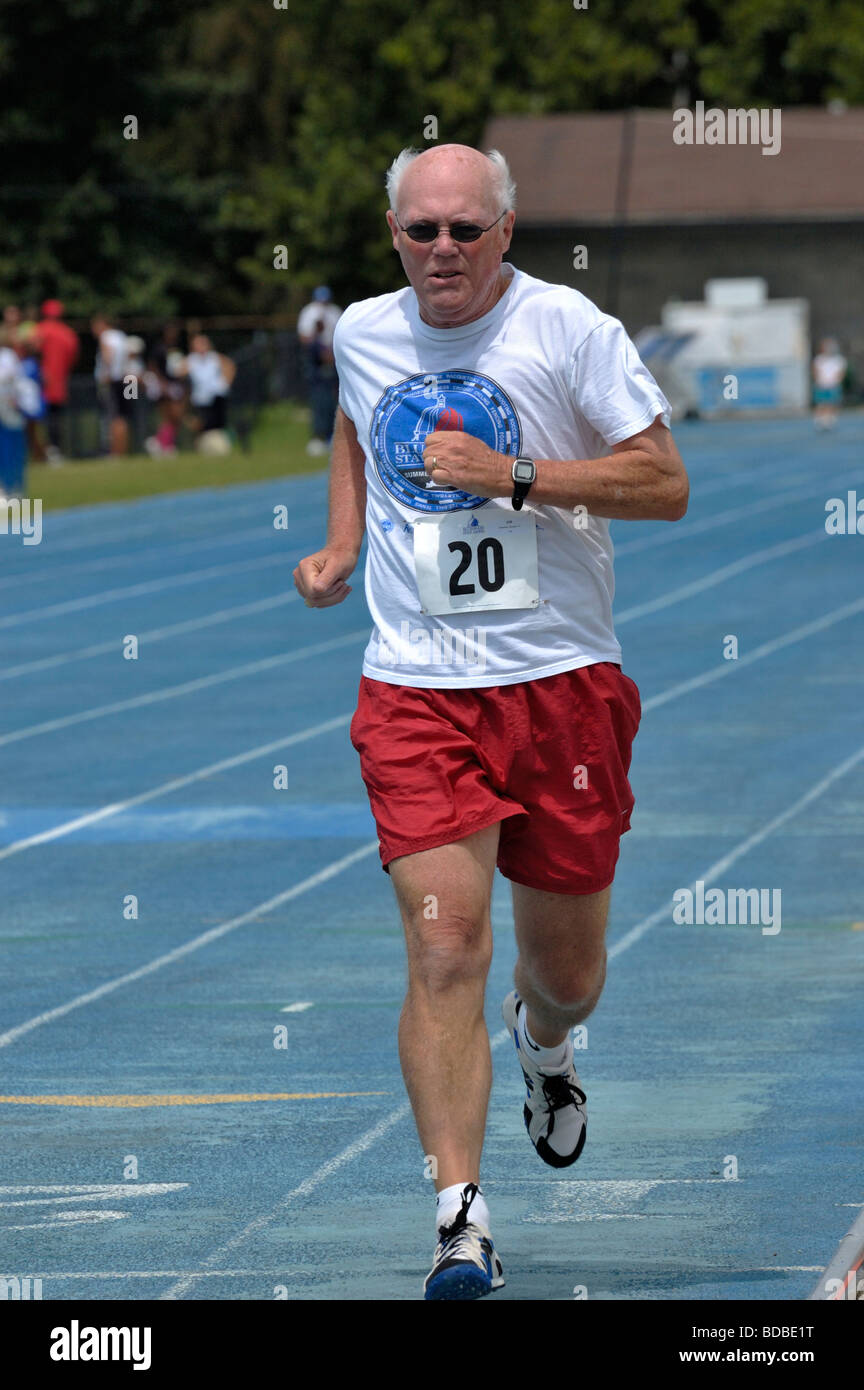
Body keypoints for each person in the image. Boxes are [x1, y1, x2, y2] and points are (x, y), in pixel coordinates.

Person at [293, 143, 689, 1300]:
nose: (445, 251)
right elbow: (357, 429)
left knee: (564, 971)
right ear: (392, 233)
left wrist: (513, 475)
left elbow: (663, 481)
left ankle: (548, 1043)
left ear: (507, 230)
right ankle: (459, 1220)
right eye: (423, 232)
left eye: (467, 230)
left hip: (561, 684)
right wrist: (342, 544)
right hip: (415, 689)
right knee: (445, 943)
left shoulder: (569, 329)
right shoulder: (364, 331)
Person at [297, 286, 341, 455]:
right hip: (316, 360)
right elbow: (305, 339)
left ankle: (333, 435)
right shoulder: (309, 313)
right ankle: (318, 436)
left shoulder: (335, 312)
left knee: (335, 399)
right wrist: (317, 331)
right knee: (319, 400)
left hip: (333, 357)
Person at [35, 300, 79, 462]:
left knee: (36, 418)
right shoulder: (68, 334)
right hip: (60, 381)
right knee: (55, 417)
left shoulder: (39, 330)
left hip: (38, 381)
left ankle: (40, 452)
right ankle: (54, 450)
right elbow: (73, 358)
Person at [176, 333, 235, 438]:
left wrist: (225, 383)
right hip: (201, 397)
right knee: (204, 422)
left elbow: (230, 366)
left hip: (217, 394)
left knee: (218, 422)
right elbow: (179, 373)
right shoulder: (191, 360)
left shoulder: (214, 357)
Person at [91, 313, 132, 456]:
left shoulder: (106, 337)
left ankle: (114, 451)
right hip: (126, 379)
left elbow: (108, 356)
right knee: (123, 416)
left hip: (112, 380)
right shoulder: (121, 336)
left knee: (113, 417)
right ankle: (123, 449)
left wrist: (106, 373)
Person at [144, 321, 186, 456]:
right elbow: (153, 366)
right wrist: (162, 384)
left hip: (175, 385)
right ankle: (161, 442)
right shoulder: (159, 349)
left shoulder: (176, 348)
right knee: (169, 414)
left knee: (176, 416)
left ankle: (164, 442)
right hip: (164, 385)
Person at [812, 337, 847, 430]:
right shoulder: (819, 359)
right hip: (821, 384)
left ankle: (830, 420)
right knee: (821, 403)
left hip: (833, 384)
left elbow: (841, 372)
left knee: (832, 403)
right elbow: (815, 371)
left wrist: (837, 381)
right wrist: (818, 381)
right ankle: (820, 420)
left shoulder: (839, 360)